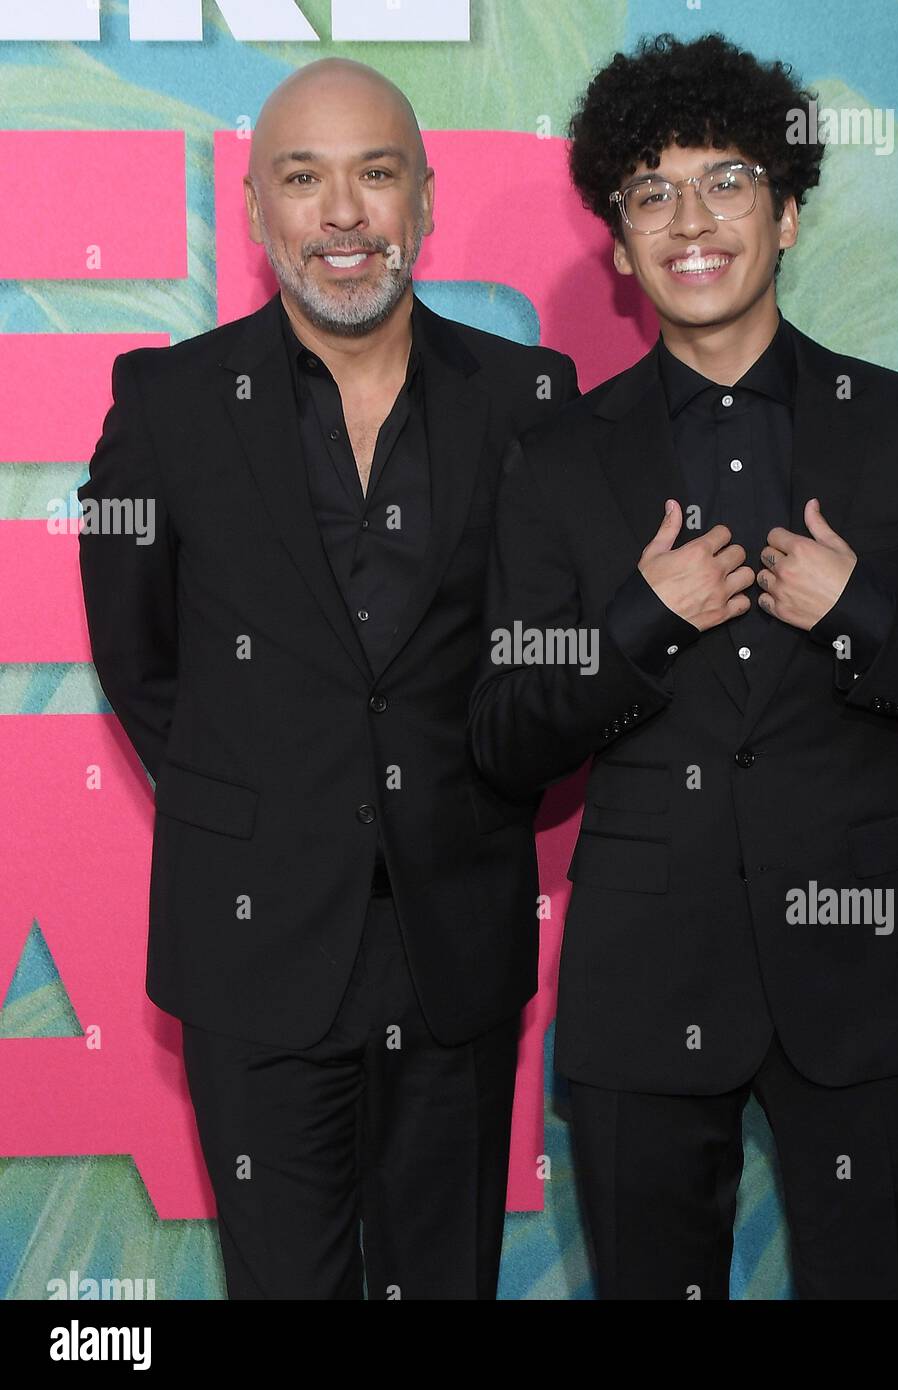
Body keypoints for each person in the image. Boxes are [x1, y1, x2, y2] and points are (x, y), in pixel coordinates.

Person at [468, 32, 898, 1299]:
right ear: (617, 242)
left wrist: (856, 613)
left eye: (725, 182)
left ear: (786, 213)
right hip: (641, 991)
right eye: (651, 192)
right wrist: (638, 621)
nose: (691, 220)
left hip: (859, 987)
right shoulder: (552, 460)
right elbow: (504, 732)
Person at [77, 56, 577, 1299]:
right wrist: (264, 794)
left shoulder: (526, 399)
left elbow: (540, 665)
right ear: (256, 211)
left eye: (375, 174)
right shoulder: (169, 401)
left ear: (423, 198)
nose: (342, 214)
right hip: (253, 944)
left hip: (452, 941)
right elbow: (138, 658)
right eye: (303, 178)